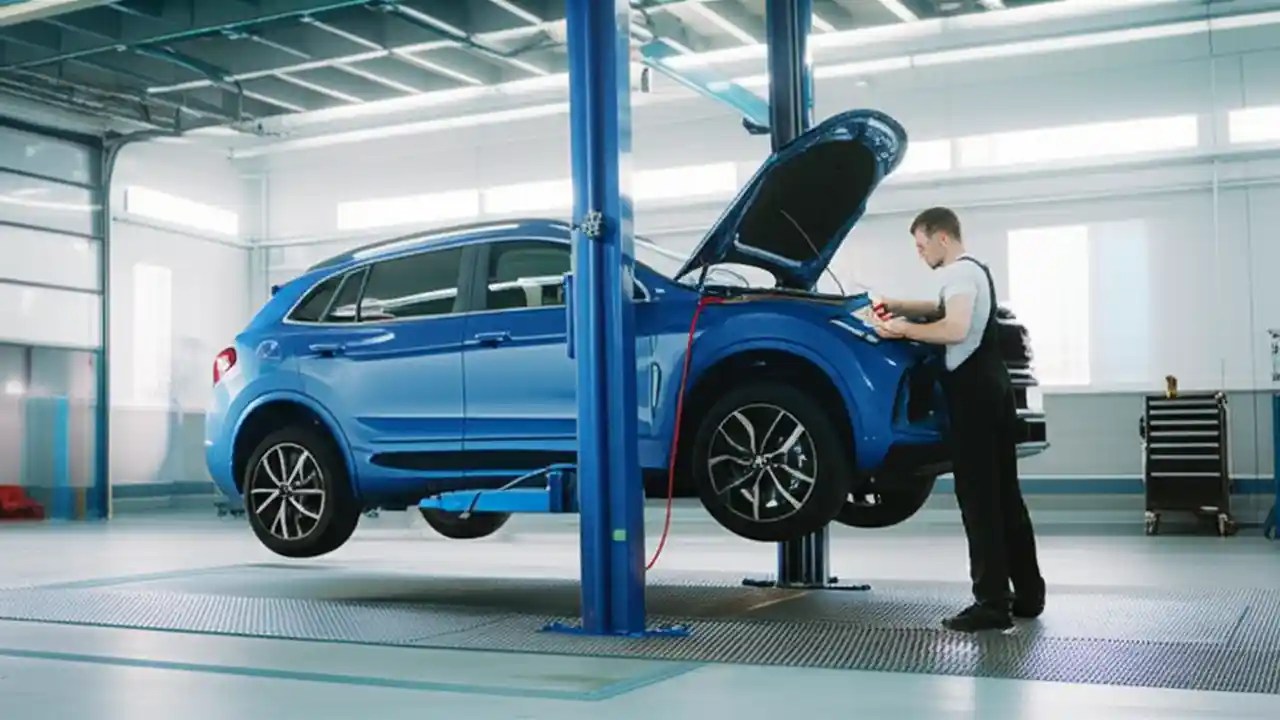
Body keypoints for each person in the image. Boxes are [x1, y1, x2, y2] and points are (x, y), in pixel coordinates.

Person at [870, 207, 1045, 633]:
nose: (920, 253)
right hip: (994, 391)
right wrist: (896, 305)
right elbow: (941, 307)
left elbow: (954, 327)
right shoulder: (973, 271)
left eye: (921, 244)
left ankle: (991, 604)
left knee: (979, 499)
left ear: (942, 238)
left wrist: (901, 331)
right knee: (1006, 496)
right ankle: (1027, 594)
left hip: (974, 399)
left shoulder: (957, 274)